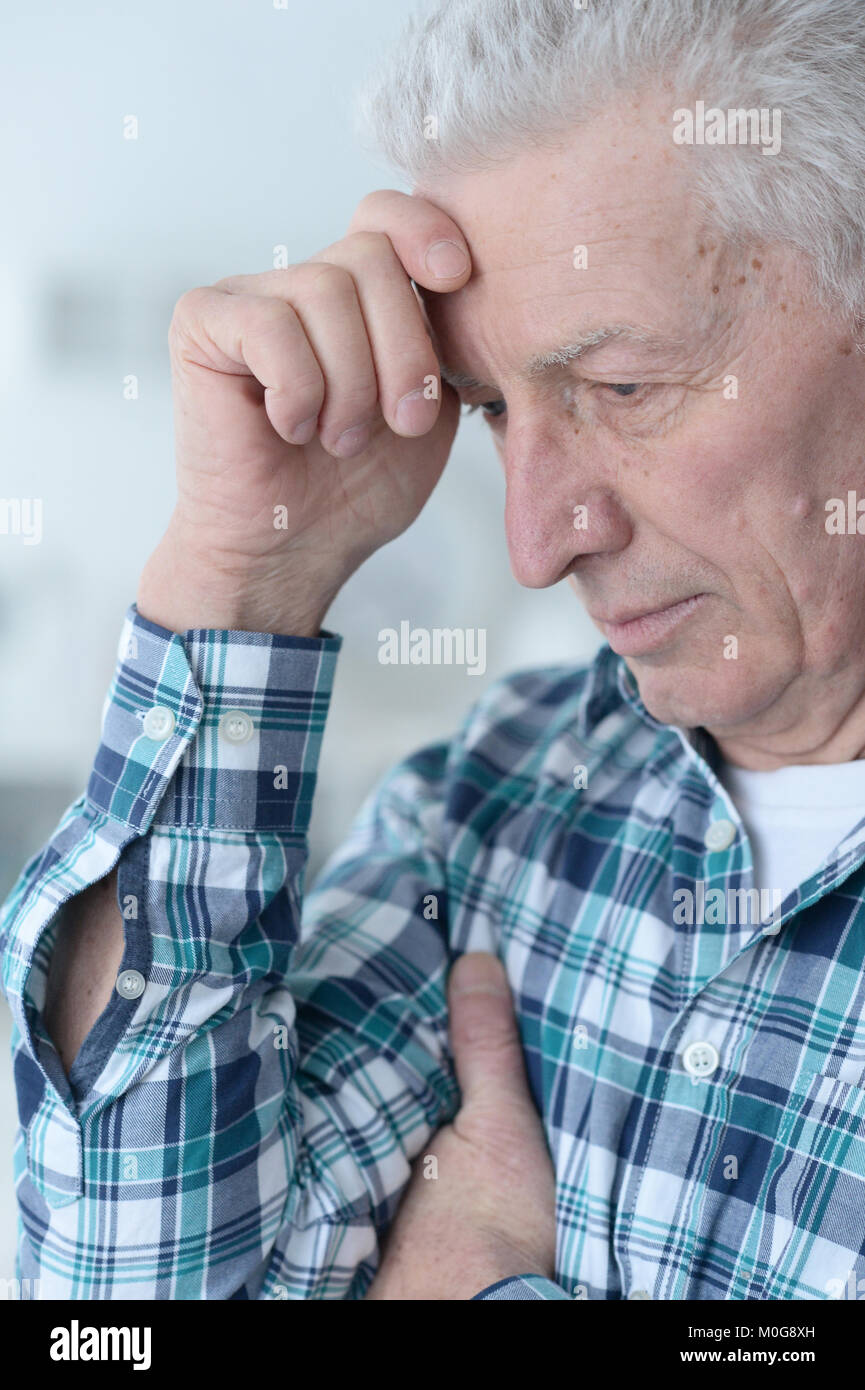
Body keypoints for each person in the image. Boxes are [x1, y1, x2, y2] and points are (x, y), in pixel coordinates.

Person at [4, 0, 865, 1301]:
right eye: (491, 408)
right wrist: (248, 575)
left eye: (621, 386)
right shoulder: (488, 800)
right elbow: (119, 1309)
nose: (535, 540)